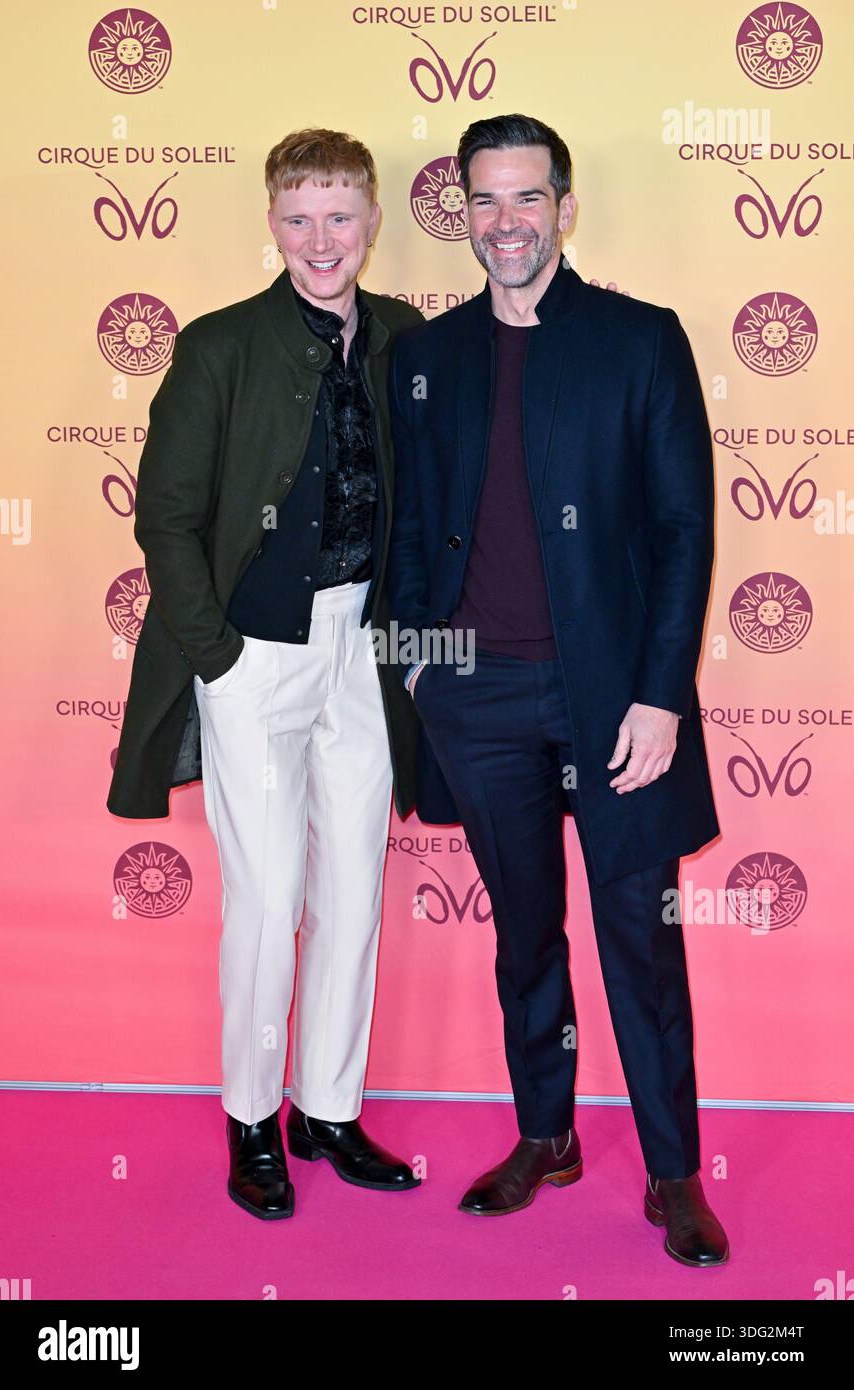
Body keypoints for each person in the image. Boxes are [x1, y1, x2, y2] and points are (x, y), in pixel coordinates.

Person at [386, 113, 729, 1266]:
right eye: (483, 201)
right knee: (526, 938)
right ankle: (546, 1135)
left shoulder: (638, 340)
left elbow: (684, 530)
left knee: (639, 938)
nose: (504, 222)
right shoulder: (427, 360)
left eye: (525, 198)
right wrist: (423, 680)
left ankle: (673, 1171)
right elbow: (406, 539)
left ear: (563, 207)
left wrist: (658, 695)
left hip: (614, 703)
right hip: (476, 704)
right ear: (463, 215)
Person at [107, 128, 424, 1220]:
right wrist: (219, 654)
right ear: (271, 222)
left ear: (372, 220)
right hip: (254, 652)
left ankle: (326, 1108)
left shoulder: (402, 338)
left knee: (351, 891)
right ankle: (252, 1118)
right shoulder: (218, 346)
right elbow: (167, 516)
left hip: (362, 651)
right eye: (299, 217)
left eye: (340, 216)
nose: (321, 239)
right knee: (267, 896)